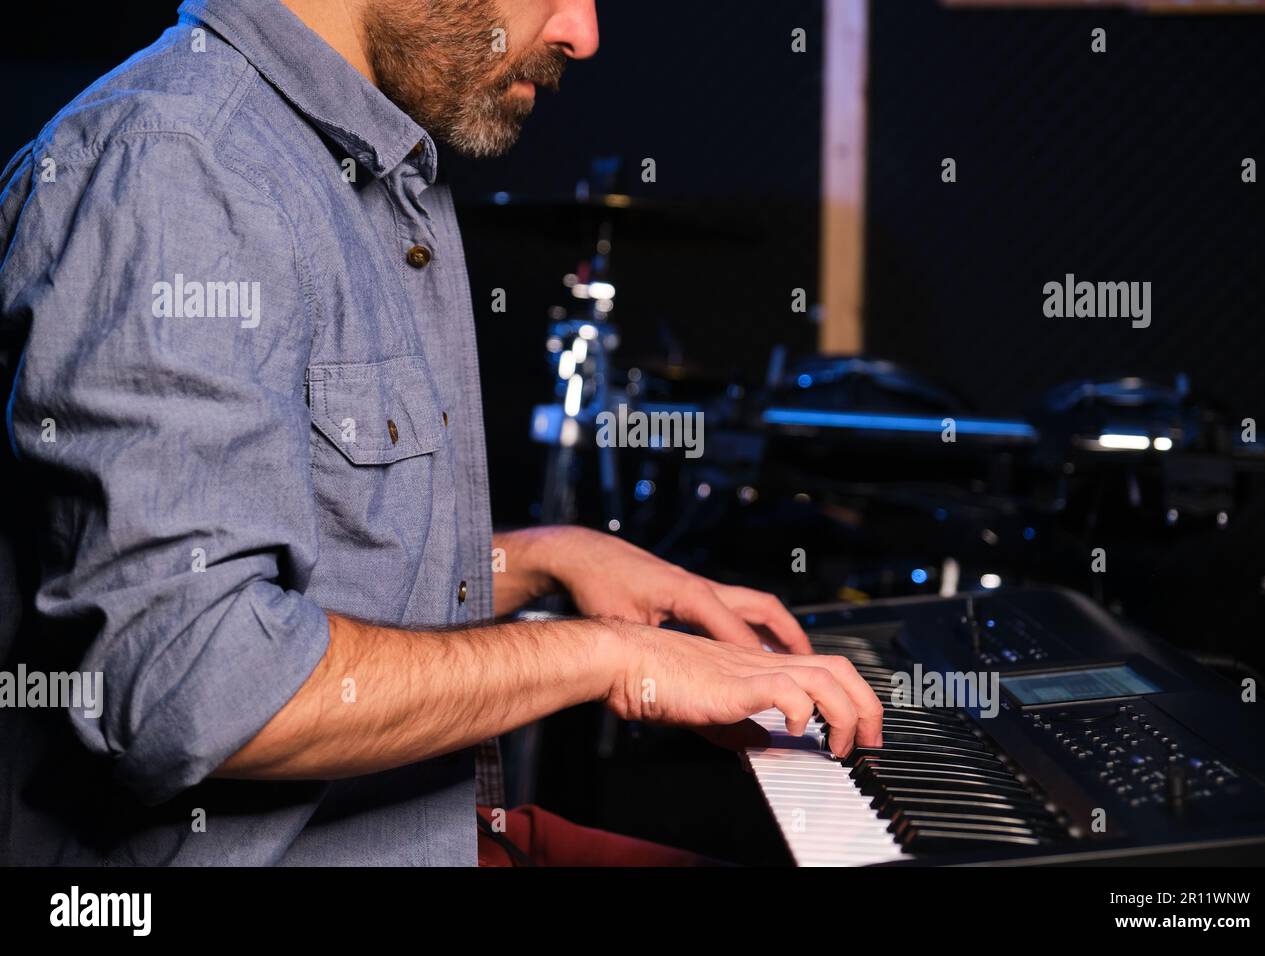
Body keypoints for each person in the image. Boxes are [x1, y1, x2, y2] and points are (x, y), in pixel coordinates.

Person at [0, 0, 882, 866]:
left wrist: (542, 557)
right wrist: (610, 657)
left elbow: (317, 568)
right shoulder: (180, 167)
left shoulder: (362, 157)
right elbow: (189, 684)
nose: (584, 31)